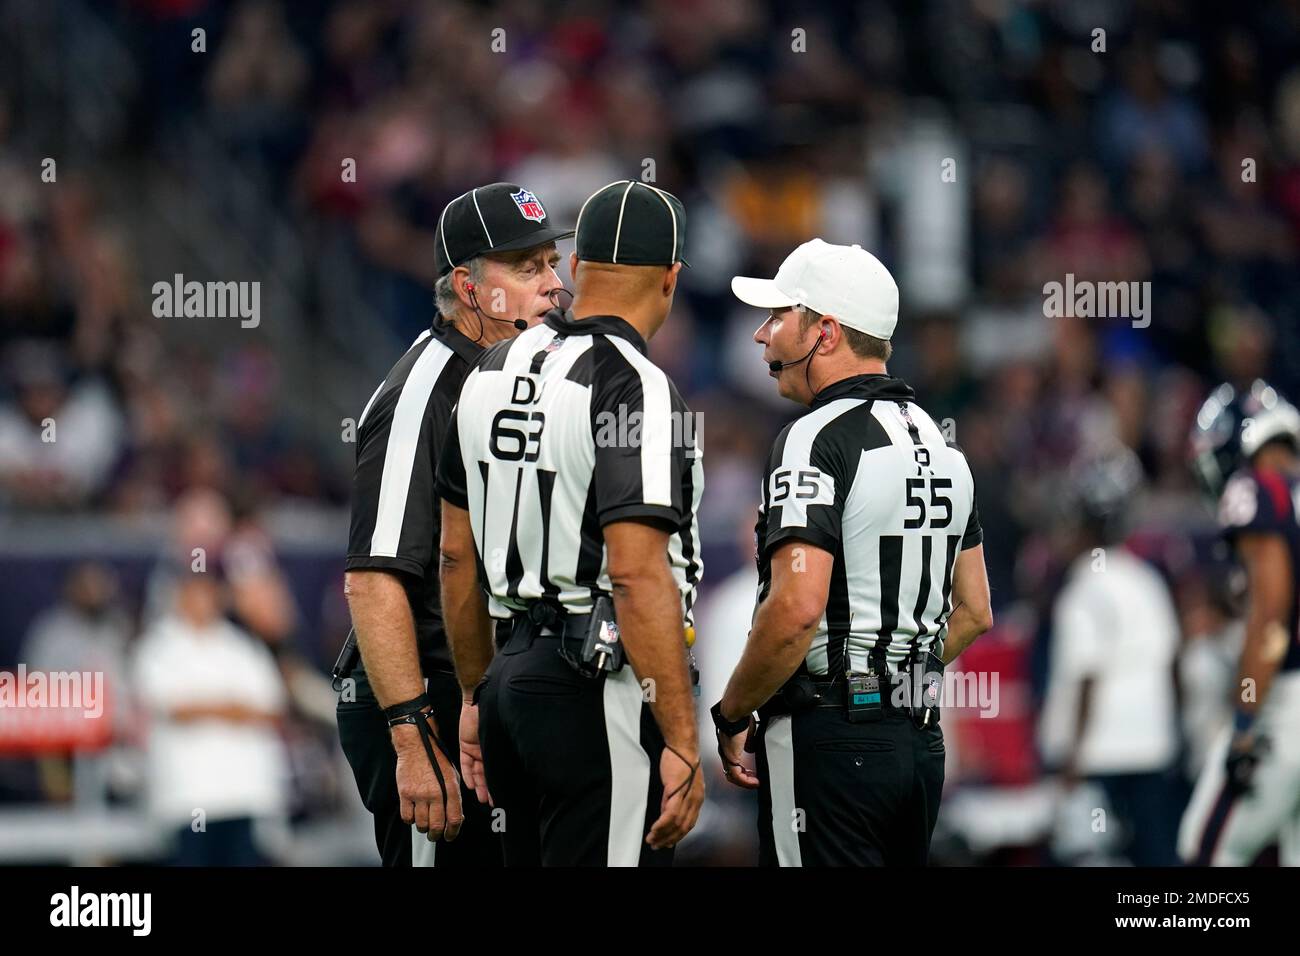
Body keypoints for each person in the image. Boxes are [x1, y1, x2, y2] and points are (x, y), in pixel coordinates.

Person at [436, 180, 704, 866]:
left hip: (508, 679)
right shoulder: (635, 383)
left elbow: (457, 556)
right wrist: (681, 737)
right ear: (671, 279)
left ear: (577, 268)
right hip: (598, 681)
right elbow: (637, 573)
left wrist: (474, 693)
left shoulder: (491, 368)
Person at [714, 238, 992, 866]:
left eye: (779, 316)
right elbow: (974, 611)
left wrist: (733, 711)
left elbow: (795, 612)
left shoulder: (811, 439)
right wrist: (890, 684)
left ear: (827, 332)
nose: (762, 336)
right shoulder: (946, 449)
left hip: (829, 742)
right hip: (919, 743)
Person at [337, 182, 571, 866]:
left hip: (487, 696)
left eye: (552, 264)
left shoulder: (515, 376)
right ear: (467, 287)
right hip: (428, 695)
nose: (553, 286)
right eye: (528, 269)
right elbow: (374, 578)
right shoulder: (426, 391)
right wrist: (412, 737)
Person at [1037, 446, 1184, 866]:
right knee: (1154, 859)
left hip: (1098, 758)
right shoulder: (1148, 581)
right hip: (1153, 750)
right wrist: (1175, 735)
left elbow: (1087, 678)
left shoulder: (1083, 587)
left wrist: (1072, 760)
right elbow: (1173, 668)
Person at [1179, 380, 1300, 865]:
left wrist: (1246, 721)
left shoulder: (1259, 488)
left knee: (1207, 852)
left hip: (1287, 702)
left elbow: (1271, 620)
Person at [132, 561, 288, 866]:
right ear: (179, 596)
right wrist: (232, 708)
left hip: (243, 792)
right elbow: (174, 708)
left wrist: (213, 708)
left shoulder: (241, 646)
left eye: (209, 593)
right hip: (189, 795)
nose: (203, 601)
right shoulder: (158, 648)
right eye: (195, 593)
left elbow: (271, 709)